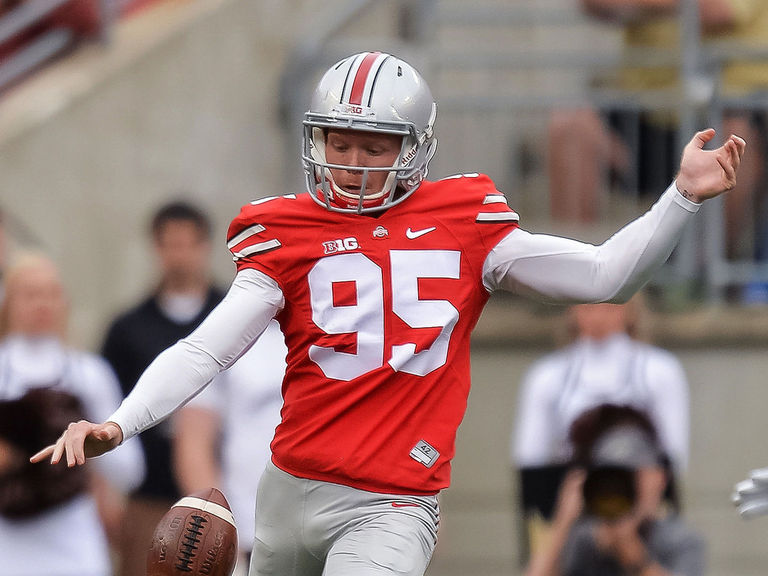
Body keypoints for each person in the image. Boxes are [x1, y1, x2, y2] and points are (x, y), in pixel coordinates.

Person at [31, 51, 744, 576]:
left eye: (374, 145)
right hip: (287, 490)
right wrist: (120, 422)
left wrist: (679, 197)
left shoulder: (468, 221)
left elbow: (605, 277)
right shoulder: (285, 231)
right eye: (338, 142)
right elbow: (206, 349)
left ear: (415, 147)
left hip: (391, 502)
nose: (352, 162)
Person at [549, 0, 768, 265]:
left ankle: (706, 277)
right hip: (644, 109)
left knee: (736, 140)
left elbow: (716, 11)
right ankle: (575, 278)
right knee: (571, 127)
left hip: (722, 109)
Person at [99, 200, 225, 576]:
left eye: (189, 244)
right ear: (156, 248)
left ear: (205, 247)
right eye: (171, 244)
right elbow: (108, 408)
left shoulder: (232, 318)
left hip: (223, 496)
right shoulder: (128, 328)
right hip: (151, 496)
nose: (180, 255)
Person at [512, 296, 690, 560]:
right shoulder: (547, 376)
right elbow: (529, 461)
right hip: (571, 507)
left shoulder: (660, 371)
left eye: (610, 305)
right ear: (571, 309)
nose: (597, 316)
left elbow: (672, 456)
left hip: (640, 509)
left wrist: (637, 518)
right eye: (587, 305)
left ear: (631, 310)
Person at [0, 252, 144, 576]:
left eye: (51, 293)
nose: (42, 304)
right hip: (7, 541)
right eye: (31, 294)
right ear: (9, 302)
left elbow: (131, 471)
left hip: (74, 542)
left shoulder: (89, 374)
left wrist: (98, 442)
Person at [524, 403, 705, 576]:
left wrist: (631, 551)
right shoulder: (584, 539)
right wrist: (563, 520)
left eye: (631, 476)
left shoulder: (679, 540)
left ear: (659, 478)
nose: (620, 487)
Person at [173, 319, 286, 576]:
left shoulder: (349, 331)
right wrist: (217, 531)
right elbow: (193, 444)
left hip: (328, 532)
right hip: (248, 535)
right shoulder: (227, 335)